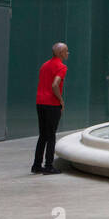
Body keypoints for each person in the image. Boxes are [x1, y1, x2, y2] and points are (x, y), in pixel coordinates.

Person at [32, 43, 69, 175]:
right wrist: (60, 100)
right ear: (60, 53)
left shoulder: (44, 65)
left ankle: (36, 165)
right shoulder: (62, 67)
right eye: (66, 51)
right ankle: (48, 166)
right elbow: (55, 84)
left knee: (43, 135)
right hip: (52, 104)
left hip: (40, 102)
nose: (68, 53)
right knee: (51, 135)